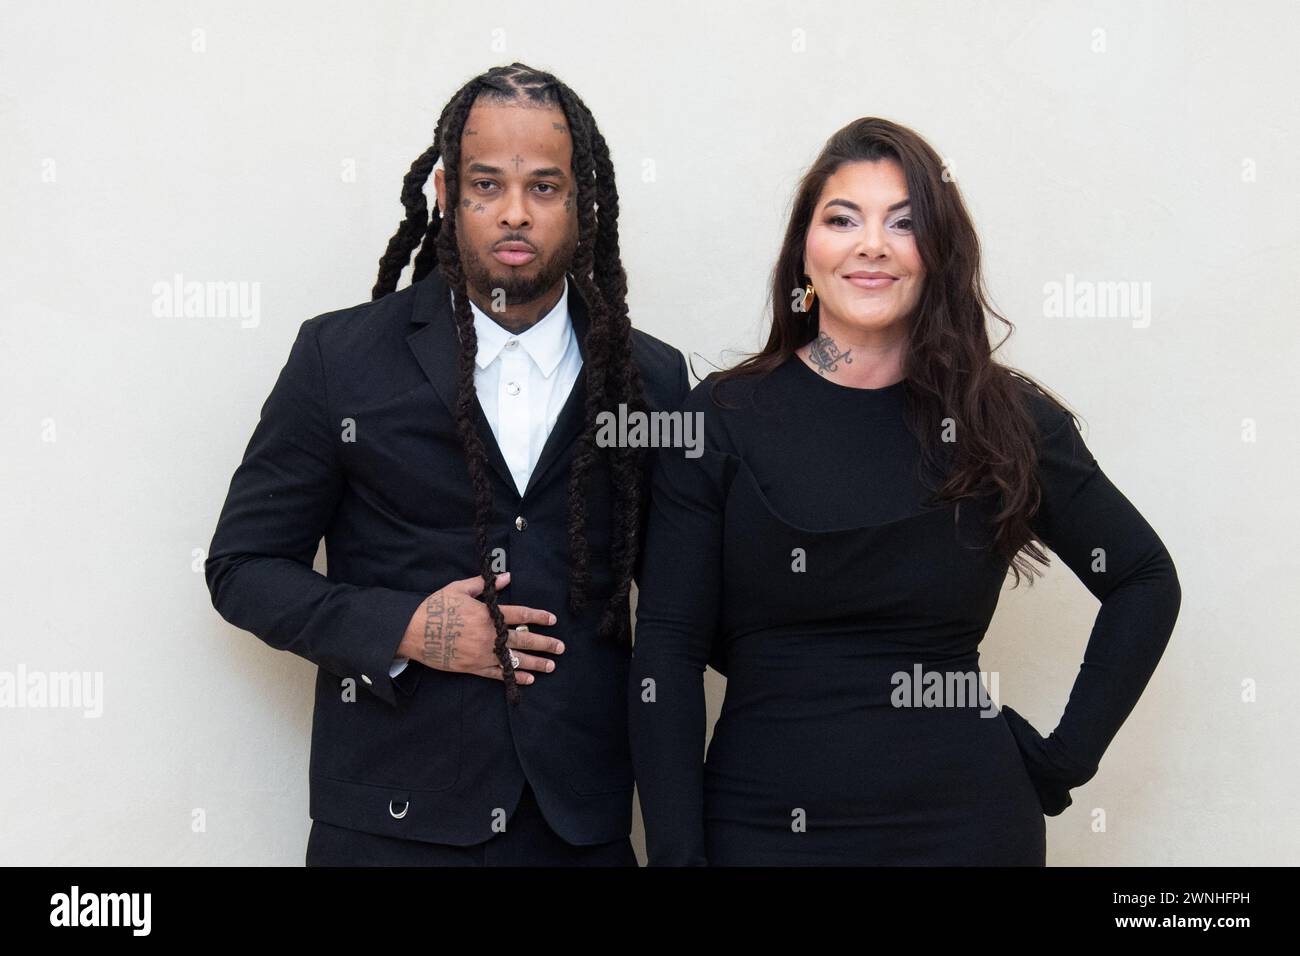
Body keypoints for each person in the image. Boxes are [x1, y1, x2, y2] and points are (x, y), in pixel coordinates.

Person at [628, 117, 1182, 866]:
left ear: (937, 255)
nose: (871, 244)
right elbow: (667, 649)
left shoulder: (1003, 418)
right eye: (842, 218)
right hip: (760, 828)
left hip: (966, 829)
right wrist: (675, 857)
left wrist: (1062, 761)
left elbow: (1144, 579)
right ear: (805, 250)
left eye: (904, 223)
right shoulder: (716, 423)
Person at [205, 63, 689, 866]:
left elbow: (679, 613)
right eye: (485, 184)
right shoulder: (339, 357)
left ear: (582, 201)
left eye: (544, 188)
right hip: (389, 828)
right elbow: (242, 566)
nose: (513, 213)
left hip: (579, 830)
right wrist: (406, 628)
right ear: (444, 192)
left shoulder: (650, 378)